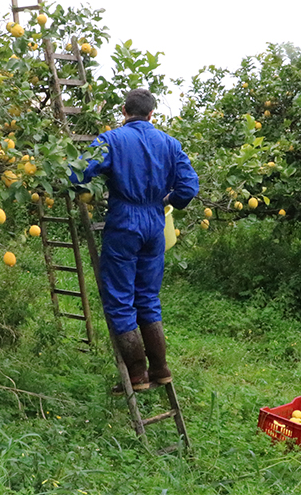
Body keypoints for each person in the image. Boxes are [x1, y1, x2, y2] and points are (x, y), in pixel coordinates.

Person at [73, 88, 199, 391]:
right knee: (147, 298)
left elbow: (77, 173)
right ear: (151, 114)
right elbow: (189, 186)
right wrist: (170, 198)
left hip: (125, 222)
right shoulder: (169, 144)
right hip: (155, 223)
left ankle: (137, 374)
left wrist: (90, 184)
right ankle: (161, 368)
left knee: (119, 299)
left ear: (124, 111)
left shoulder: (112, 140)